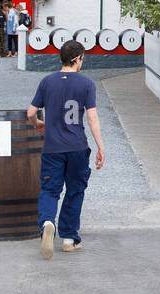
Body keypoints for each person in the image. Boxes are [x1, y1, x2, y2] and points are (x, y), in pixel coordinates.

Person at [28, 39, 105, 259]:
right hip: (77, 147)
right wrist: (100, 146)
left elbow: (30, 112)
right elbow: (92, 117)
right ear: (78, 59)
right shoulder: (87, 84)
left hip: (52, 147)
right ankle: (70, 238)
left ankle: (47, 223)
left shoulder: (47, 82)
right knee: (75, 189)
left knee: (50, 189)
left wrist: (38, 124)